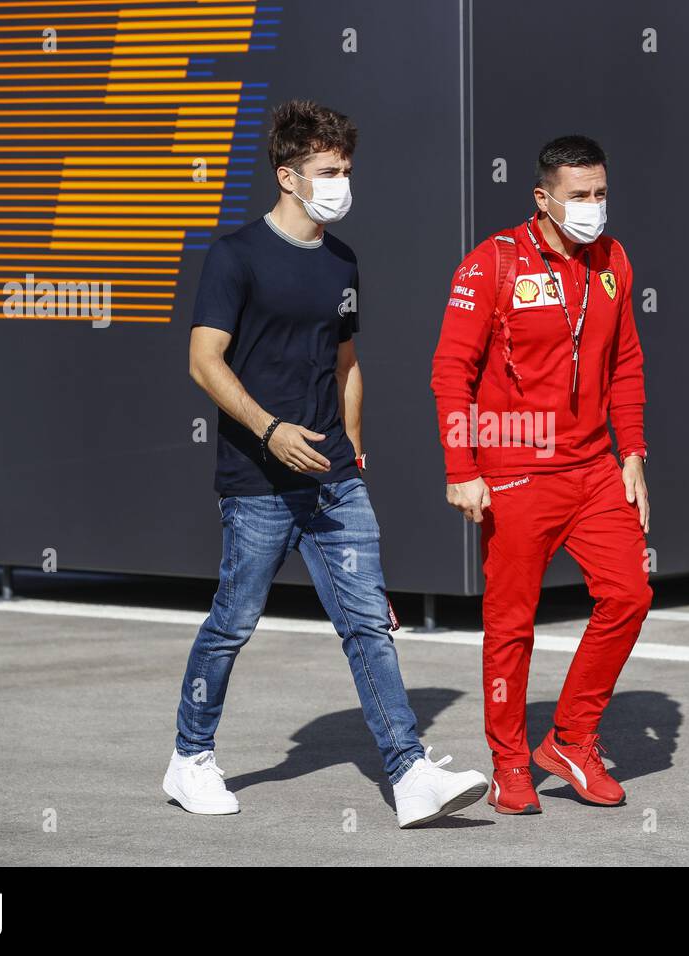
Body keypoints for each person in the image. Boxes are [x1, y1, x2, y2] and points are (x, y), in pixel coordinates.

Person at [164, 99, 486, 828]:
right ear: (288, 175)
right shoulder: (234, 255)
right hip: (258, 482)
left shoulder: (343, 261)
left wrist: (354, 451)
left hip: (336, 480)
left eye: (345, 169)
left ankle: (407, 774)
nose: (341, 182)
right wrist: (270, 429)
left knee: (369, 624)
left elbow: (346, 365)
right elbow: (202, 361)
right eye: (327, 171)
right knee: (233, 621)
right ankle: (190, 758)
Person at [430, 135, 652, 815]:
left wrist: (633, 454)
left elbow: (626, 365)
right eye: (579, 195)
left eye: (601, 193)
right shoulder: (492, 262)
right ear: (543, 198)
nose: (593, 207)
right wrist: (461, 467)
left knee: (630, 594)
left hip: (592, 467)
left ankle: (572, 737)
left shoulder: (614, 260)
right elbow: (451, 372)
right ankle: (508, 763)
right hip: (515, 466)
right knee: (512, 622)